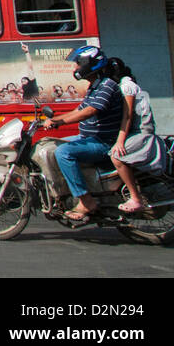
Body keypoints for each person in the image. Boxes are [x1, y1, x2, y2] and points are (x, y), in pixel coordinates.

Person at [44, 46, 124, 221]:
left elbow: (89, 111)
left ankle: (86, 201)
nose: (75, 68)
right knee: (50, 145)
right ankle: (65, 193)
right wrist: (55, 120)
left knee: (63, 152)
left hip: (103, 142)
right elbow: (77, 110)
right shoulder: (94, 86)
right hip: (89, 138)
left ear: (90, 65)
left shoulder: (107, 86)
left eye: (78, 64)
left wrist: (59, 122)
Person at [107, 58, 163, 213]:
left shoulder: (127, 86)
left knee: (116, 156)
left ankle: (135, 198)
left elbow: (128, 116)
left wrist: (120, 141)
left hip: (141, 133)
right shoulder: (126, 84)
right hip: (136, 131)